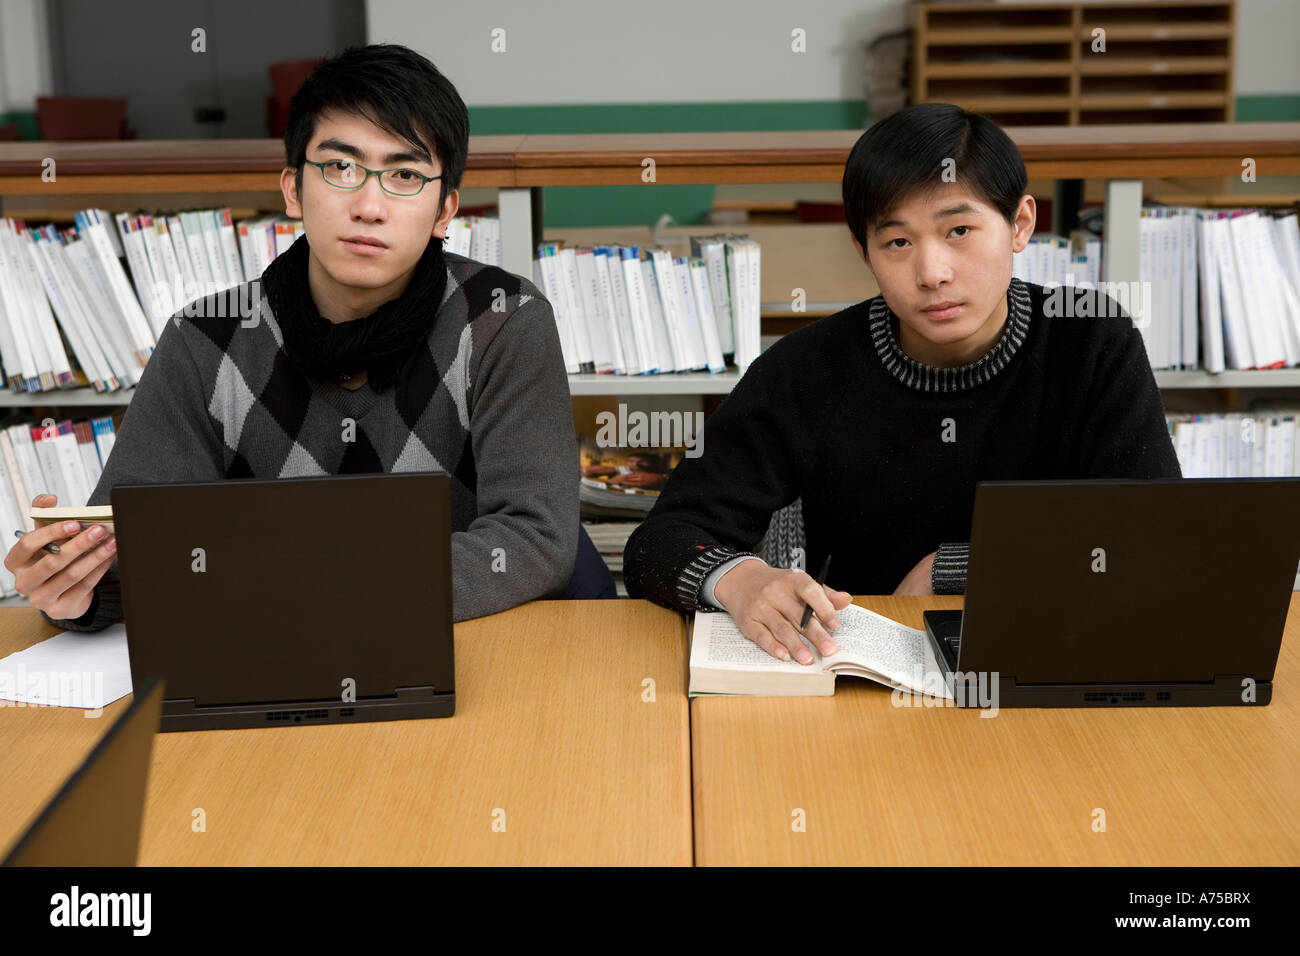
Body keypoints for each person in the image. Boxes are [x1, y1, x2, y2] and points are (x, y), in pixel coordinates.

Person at [5, 44, 579, 629]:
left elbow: (532, 538)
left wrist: (305, 588)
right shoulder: (204, 340)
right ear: (292, 189)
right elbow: (137, 548)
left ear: (444, 211)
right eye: (341, 168)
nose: (370, 205)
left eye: (405, 174)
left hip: (463, 655)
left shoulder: (504, 320)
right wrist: (75, 587)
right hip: (264, 666)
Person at [623, 102, 1182, 665]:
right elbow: (660, 540)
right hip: (868, 677)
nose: (932, 273)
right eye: (898, 243)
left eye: (958, 230)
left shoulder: (1089, 340)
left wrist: (955, 566)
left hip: (1049, 657)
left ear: (1020, 224)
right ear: (862, 249)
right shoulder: (807, 369)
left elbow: (1151, 535)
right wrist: (739, 579)